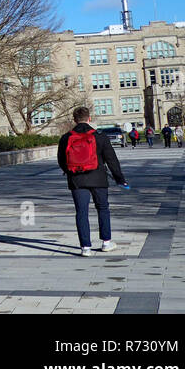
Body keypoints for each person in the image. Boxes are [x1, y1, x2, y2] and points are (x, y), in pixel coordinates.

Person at [58, 105, 129, 257]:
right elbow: (112, 160)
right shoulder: (100, 136)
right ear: (89, 118)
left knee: (81, 212)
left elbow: (61, 160)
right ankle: (106, 242)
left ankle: (85, 247)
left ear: (74, 120)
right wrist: (120, 179)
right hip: (98, 178)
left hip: (76, 179)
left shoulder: (66, 138)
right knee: (103, 208)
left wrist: (70, 171)